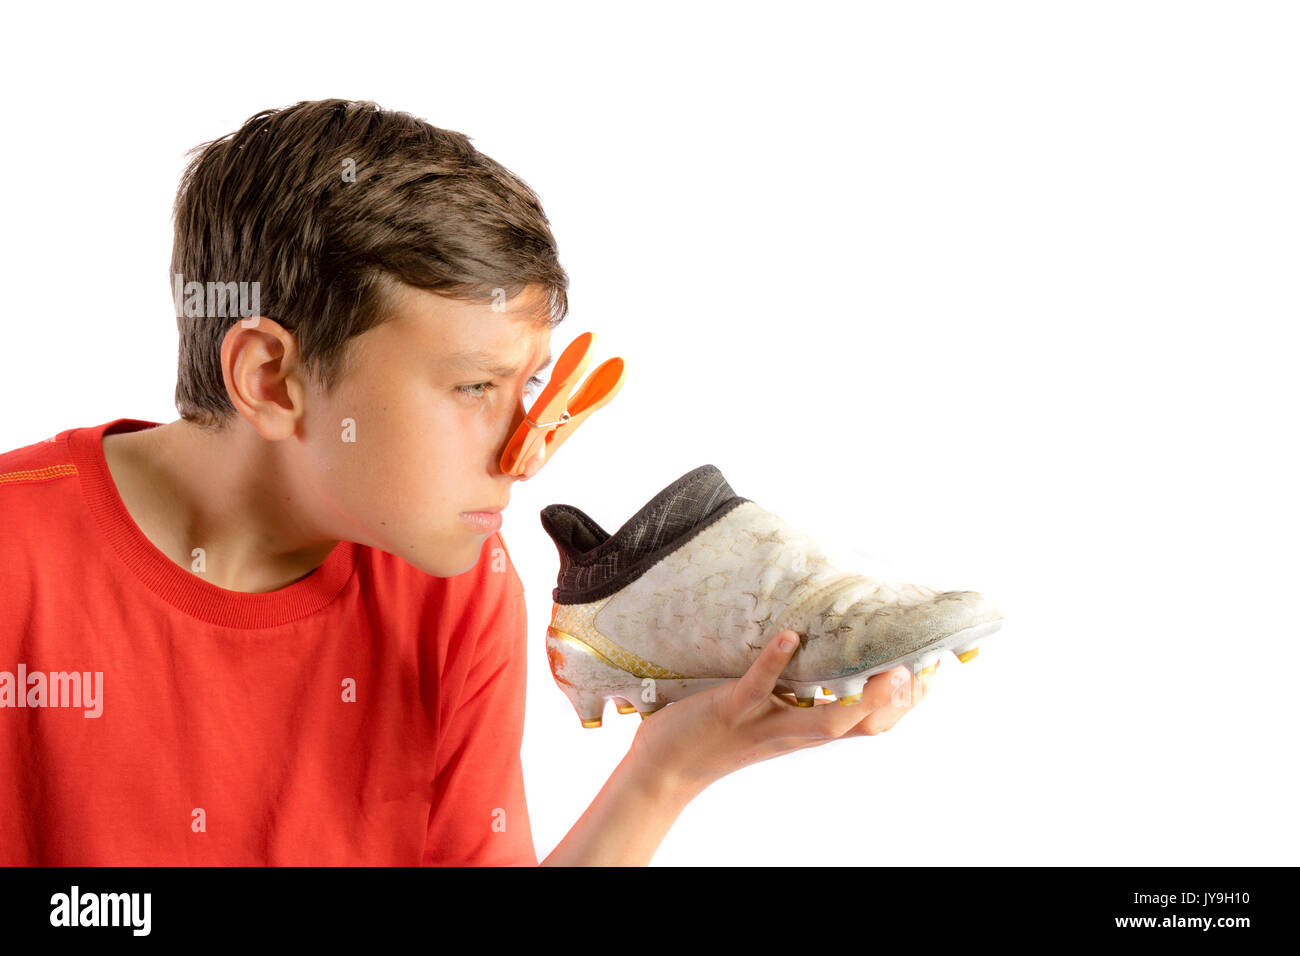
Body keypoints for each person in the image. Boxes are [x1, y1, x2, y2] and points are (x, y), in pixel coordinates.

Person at [0, 99, 929, 865]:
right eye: (476, 388)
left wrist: (669, 770)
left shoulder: (460, 585)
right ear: (272, 380)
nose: (526, 447)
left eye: (526, 386)